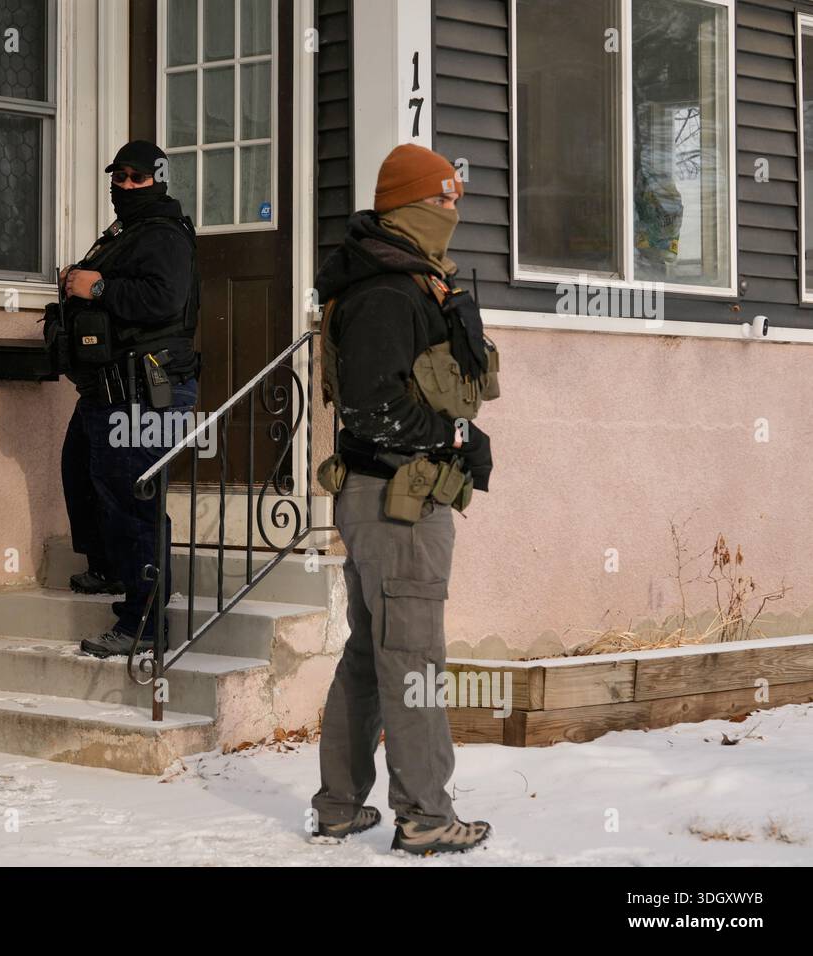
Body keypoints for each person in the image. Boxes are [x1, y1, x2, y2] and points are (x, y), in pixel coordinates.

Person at [310, 144, 497, 854]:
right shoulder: (387, 292)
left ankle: (337, 806)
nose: (453, 211)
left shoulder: (398, 277)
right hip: (397, 500)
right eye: (444, 199)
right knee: (414, 659)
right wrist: (453, 433)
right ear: (415, 206)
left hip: (384, 493)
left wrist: (456, 432)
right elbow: (372, 407)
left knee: (371, 653)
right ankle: (423, 813)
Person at [55, 140, 200, 658]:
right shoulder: (124, 233)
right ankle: (113, 568)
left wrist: (95, 290)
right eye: (120, 177)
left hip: (147, 389)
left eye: (138, 179)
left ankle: (143, 620)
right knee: (82, 472)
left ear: (158, 180)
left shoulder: (164, 234)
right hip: (107, 386)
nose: (126, 186)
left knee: (135, 499)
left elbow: (164, 299)